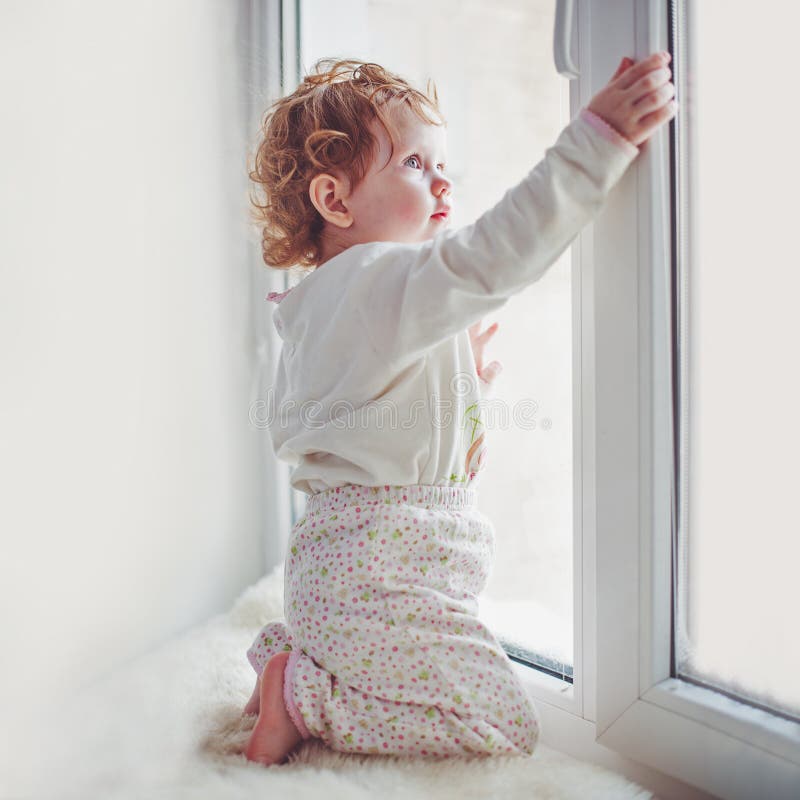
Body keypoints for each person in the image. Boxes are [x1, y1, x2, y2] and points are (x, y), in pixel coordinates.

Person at [241, 53, 676, 765]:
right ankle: (303, 696)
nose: (443, 181)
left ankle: (300, 655)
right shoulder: (374, 284)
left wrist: (451, 376)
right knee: (500, 723)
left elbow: (360, 422)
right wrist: (596, 143)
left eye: (443, 163)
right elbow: (491, 258)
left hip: (354, 566)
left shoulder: (332, 303)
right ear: (335, 200)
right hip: (378, 567)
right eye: (415, 163)